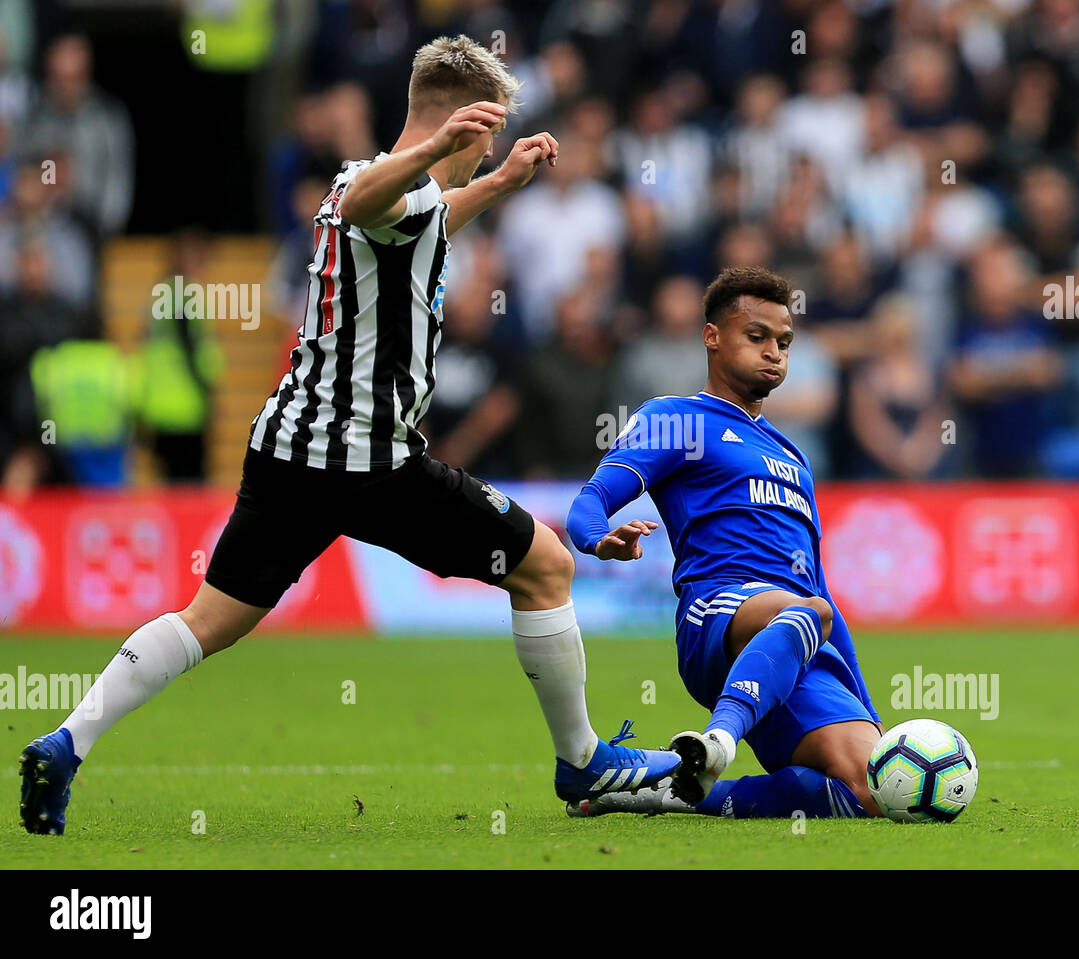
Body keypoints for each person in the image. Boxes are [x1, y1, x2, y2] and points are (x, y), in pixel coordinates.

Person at [19, 35, 678, 836]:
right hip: (369, 461)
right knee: (545, 567)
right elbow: (386, 203)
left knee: (209, 620)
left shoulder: (375, 192)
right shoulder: (380, 189)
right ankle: (583, 761)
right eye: (486, 140)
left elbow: (417, 219)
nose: (485, 156)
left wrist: (498, 183)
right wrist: (441, 149)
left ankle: (66, 740)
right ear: (459, 127)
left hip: (289, 450)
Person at [565, 266, 885, 820]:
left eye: (784, 342)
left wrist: (864, 704)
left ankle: (670, 788)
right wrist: (598, 541)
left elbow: (820, 589)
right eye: (756, 336)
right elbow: (587, 504)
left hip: (801, 638)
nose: (774, 353)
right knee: (803, 611)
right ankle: (719, 741)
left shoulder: (794, 457)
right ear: (713, 337)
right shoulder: (676, 419)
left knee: (867, 792)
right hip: (719, 615)